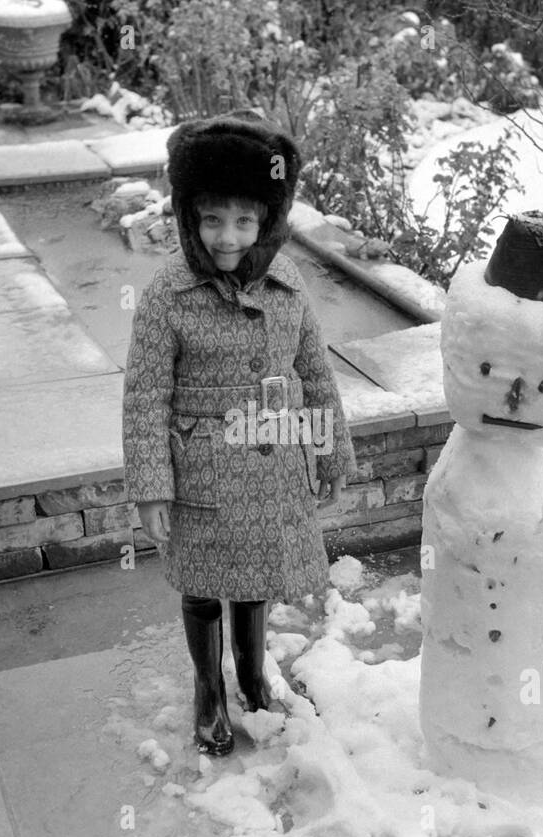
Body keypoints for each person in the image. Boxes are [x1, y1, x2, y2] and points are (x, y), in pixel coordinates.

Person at [122, 111, 356, 755]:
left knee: (254, 580)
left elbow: (314, 369)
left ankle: (253, 676)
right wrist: (151, 488)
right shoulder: (168, 295)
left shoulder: (288, 284)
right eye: (212, 219)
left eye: (245, 221)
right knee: (202, 584)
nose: (228, 236)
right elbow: (145, 395)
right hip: (200, 471)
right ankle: (208, 690)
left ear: (269, 222)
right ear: (189, 217)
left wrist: (332, 451)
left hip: (271, 466)